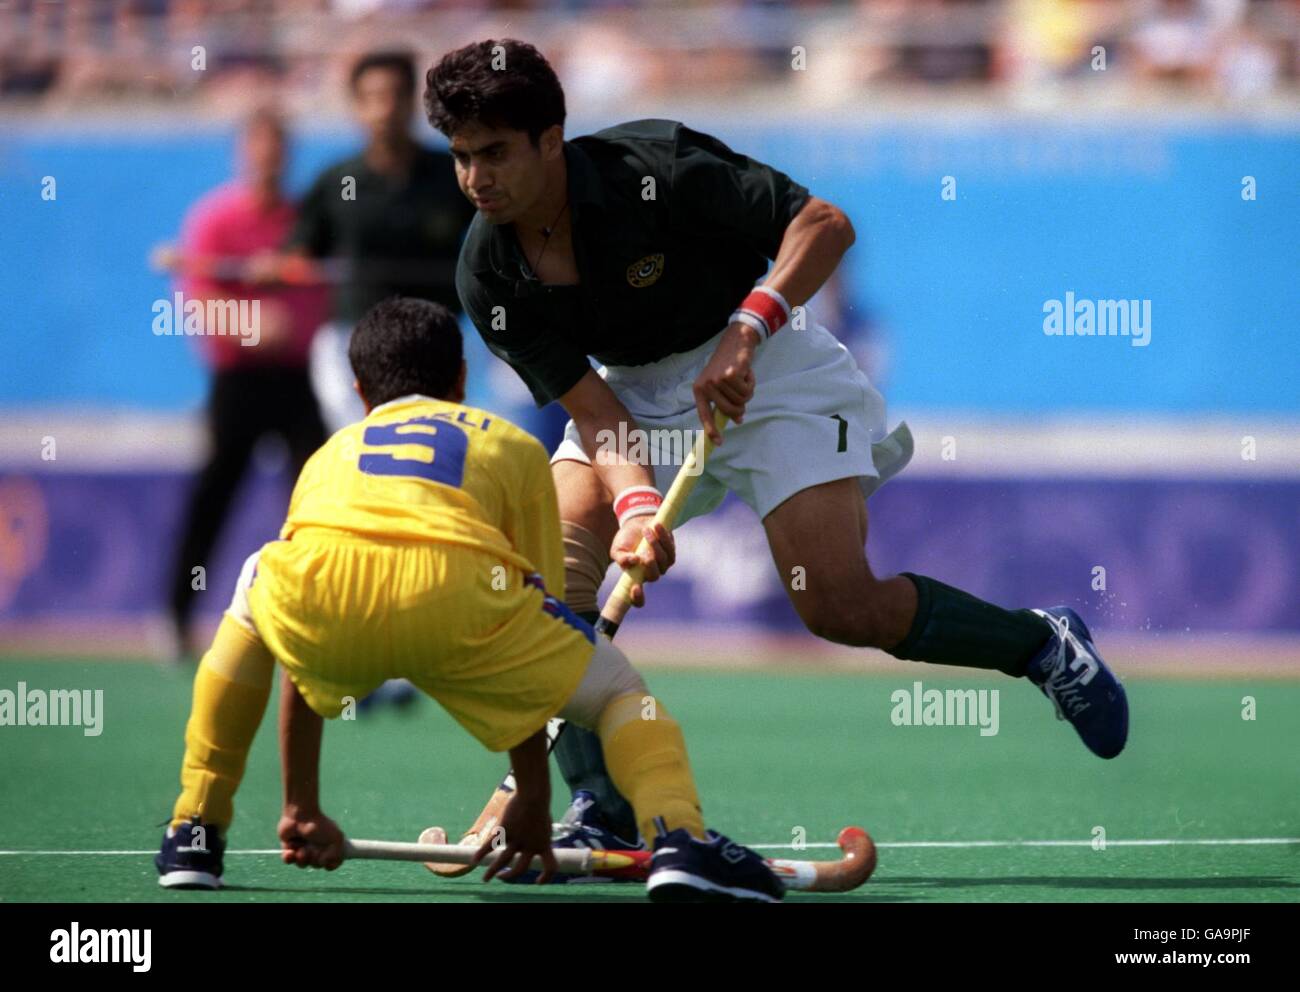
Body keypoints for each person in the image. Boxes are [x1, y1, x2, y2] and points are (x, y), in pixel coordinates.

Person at [427, 38, 1130, 853]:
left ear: (551, 139)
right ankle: (601, 801)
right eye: (461, 157)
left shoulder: (652, 166)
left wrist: (746, 329)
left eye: (495, 154)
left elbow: (824, 224)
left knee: (837, 605)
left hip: (772, 369)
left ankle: (1042, 645)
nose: (476, 178)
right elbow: (595, 409)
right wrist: (636, 506)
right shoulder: (487, 271)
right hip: (631, 399)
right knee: (556, 569)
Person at [154, 298, 784, 903]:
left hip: (327, 612)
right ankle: (677, 840)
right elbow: (540, 627)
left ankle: (195, 832)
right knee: (621, 697)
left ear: (358, 393)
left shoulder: (328, 454)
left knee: (260, 585)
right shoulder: (509, 444)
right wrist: (535, 800)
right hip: (462, 606)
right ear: (461, 378)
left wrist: (301, 807)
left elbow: (297, 630)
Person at [162, 107, 328, 659]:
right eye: (258, 148)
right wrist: (257, 327)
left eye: (277, 149)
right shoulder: (214, 219)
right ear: (242, 154)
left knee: (315, 499)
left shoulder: (305, 219)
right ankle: (177, 617)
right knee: (213, 496)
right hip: (237, 383)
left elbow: (320, 300)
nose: (268, 160)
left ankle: (317, 616)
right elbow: (197, 304)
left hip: (299, 382)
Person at [285, 49, 476, 433]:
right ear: (356, 106)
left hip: (435, 339)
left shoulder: (456, 173)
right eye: (372, 98)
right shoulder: (340, 181)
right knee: (361, 439)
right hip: (353, 339)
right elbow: (301, 254)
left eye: (395, 95)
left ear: (413, 102)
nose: (385, 109)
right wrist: (278, 269)